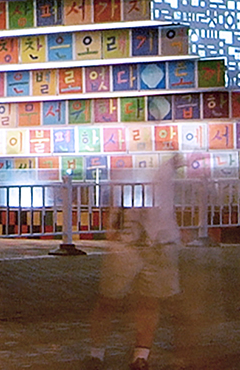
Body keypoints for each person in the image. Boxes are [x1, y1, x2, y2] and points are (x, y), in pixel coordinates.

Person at [84, 146, 186, 370]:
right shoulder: (126, 151)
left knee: (149, 300)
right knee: (109, 299)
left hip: (160, 239)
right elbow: (114, 192)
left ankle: (141, 355)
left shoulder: (168, 153)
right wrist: (112, 226)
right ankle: (96, 353)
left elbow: (185, 161)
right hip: (127, 239)